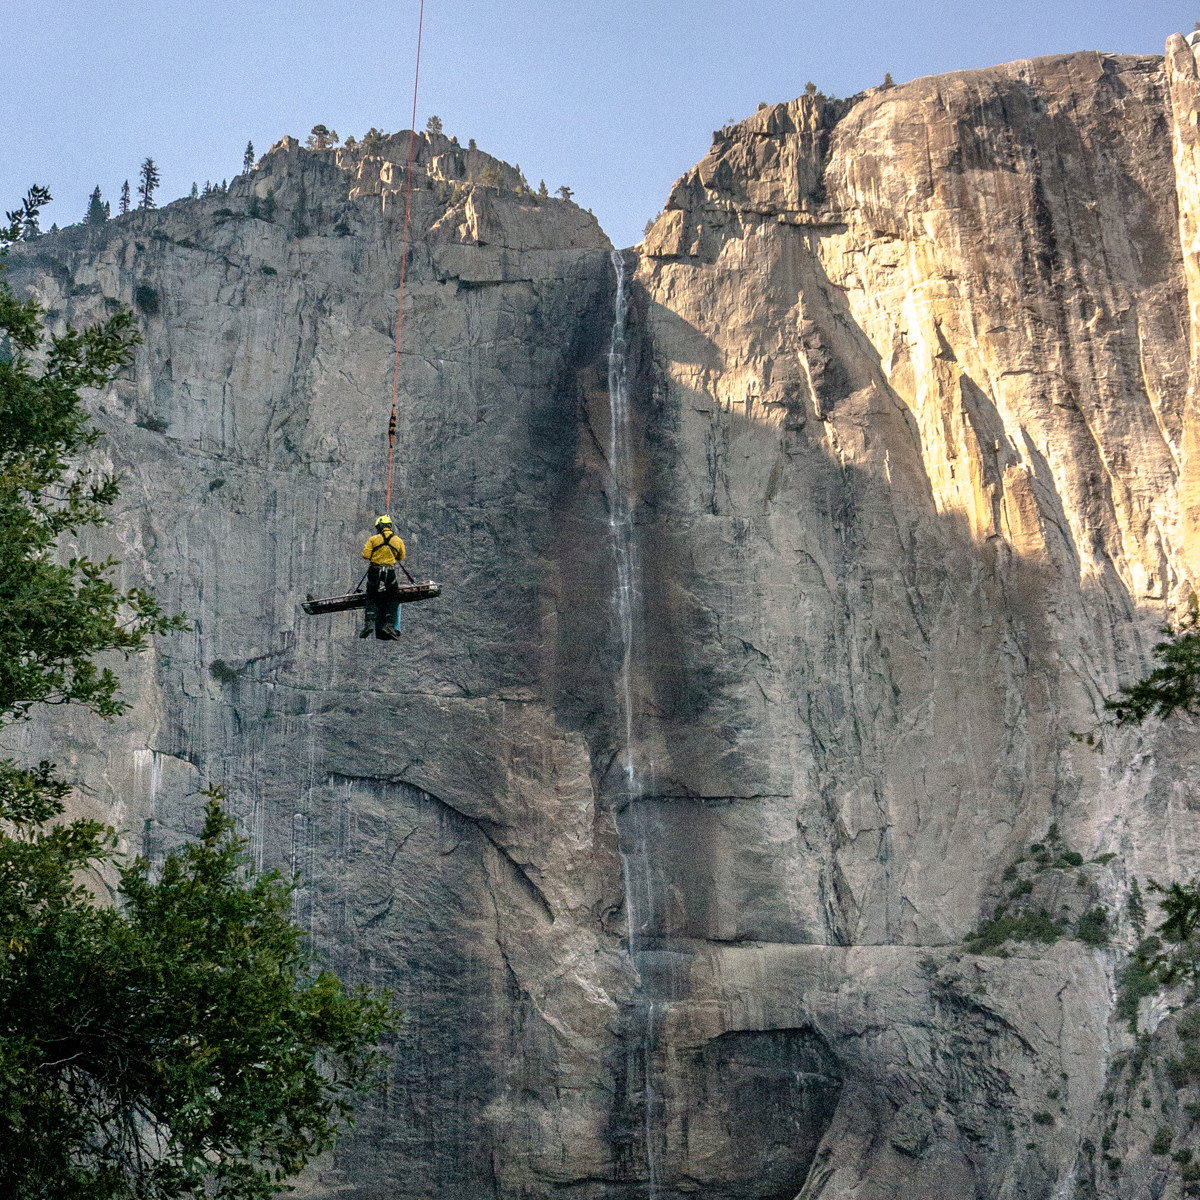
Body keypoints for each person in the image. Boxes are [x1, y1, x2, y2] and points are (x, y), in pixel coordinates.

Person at [361, 515, 406, 640]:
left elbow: (365, 555)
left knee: (371, 596)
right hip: (389, 572)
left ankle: (369, 622)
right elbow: (401, 557)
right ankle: (389, 624)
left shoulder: (373, 539)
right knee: (393, 596)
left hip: (374, 570)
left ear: (379, 527)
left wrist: (377, 554)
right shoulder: (398, 541)